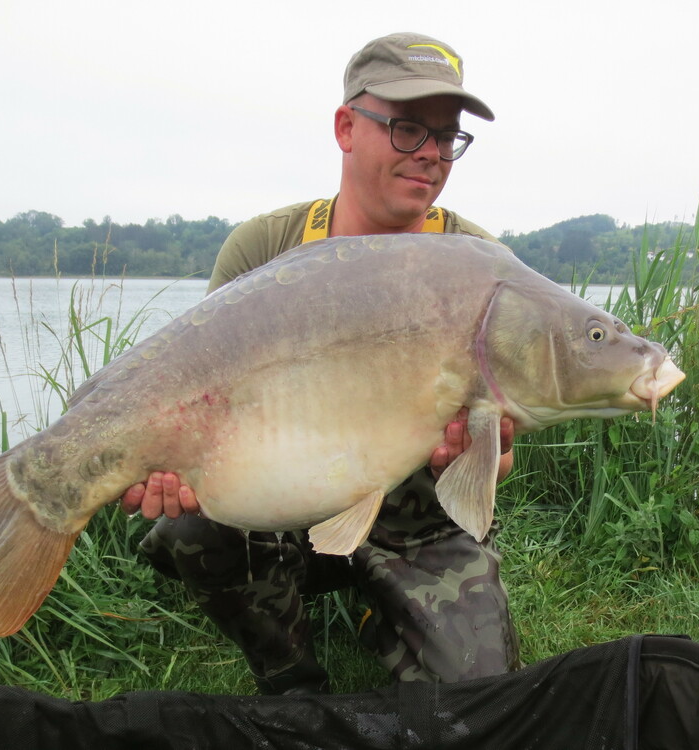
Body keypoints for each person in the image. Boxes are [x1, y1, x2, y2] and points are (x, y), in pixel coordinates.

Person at [121, 32, 520, 696]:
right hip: (282, 512)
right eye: (408, 129)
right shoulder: (264, 249)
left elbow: (497, 464)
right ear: (346, 127)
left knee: (476, 702)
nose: (430, 153)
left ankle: (379, 604)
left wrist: (477, 453)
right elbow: (200, 397)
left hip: (419, 525)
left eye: (447, 136)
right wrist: (171, 460)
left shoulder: (478, 264)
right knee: (191, 525)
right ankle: (292, 685)